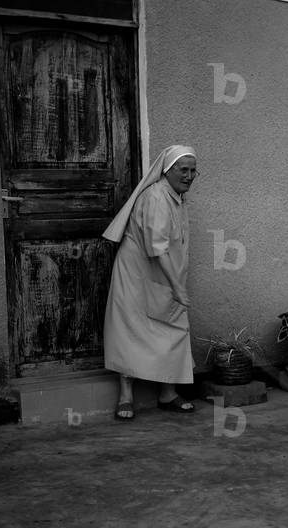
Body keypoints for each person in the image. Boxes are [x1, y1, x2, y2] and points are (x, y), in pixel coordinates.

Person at [102, 145, 199, 420]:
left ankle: (168, 394)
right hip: (136, 276)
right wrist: (178, 287)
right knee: (130, 330)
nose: (189, 176)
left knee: (173, 328)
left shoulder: (175, 196)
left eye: (193, 171)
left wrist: (175, 283)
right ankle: (126, 397)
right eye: (184, 170)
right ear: (167, 171)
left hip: (163, 276)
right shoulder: (157, 197)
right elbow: (157, 248)